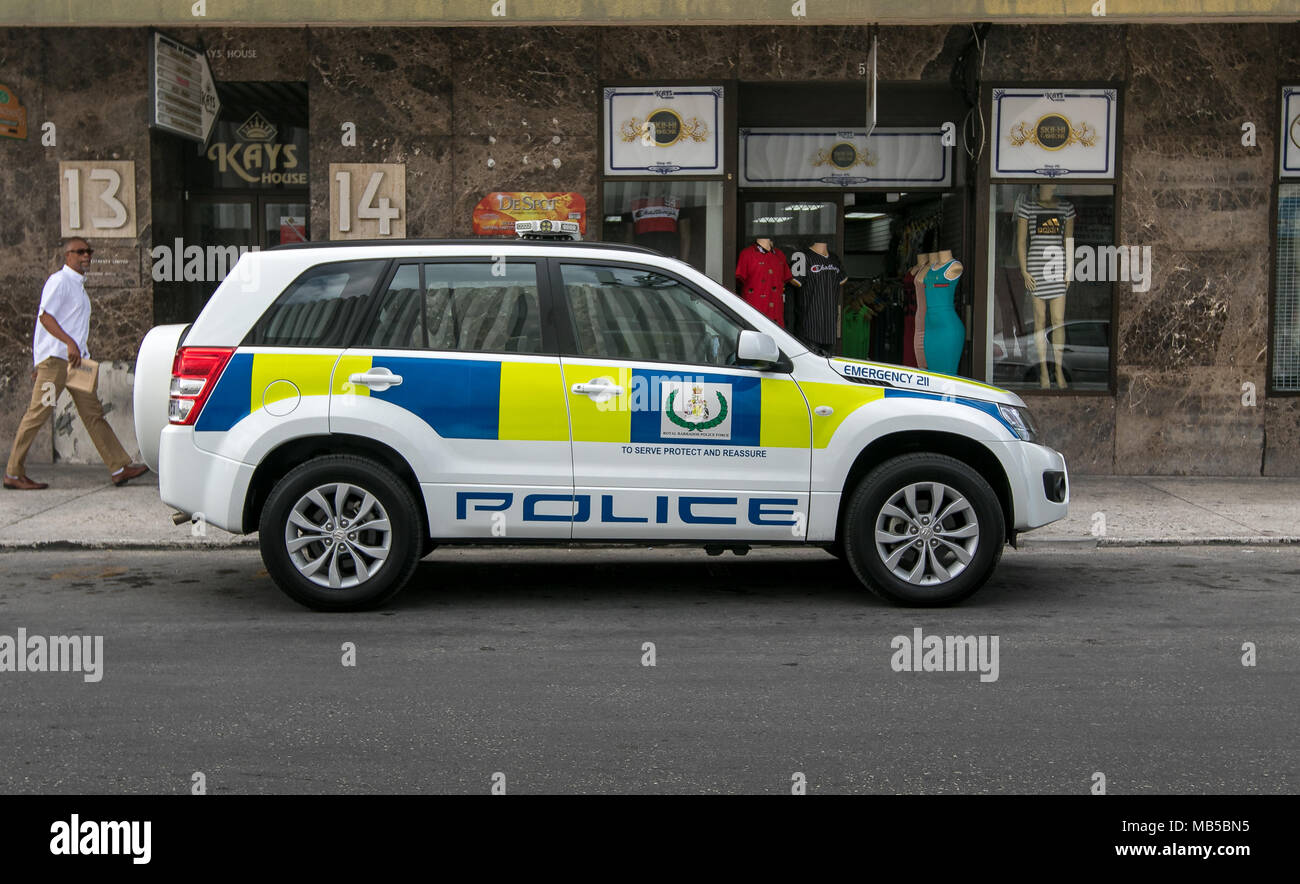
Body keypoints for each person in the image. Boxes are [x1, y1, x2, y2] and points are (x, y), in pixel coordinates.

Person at [4, 238, 149, 490]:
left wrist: (77, 349)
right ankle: (14, 473)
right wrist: (57, 352)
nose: (86, 256)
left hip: (77, 364)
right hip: (57, 363)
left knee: (93, 414)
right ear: (67, 255)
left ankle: (118, 467)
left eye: (89, 252)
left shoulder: (78, 287)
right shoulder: (59, 282)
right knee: (38, 413)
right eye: (80, 252)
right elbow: (45, 318)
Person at [789, 239, 848, 355]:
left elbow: (843, 279)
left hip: (830, 328)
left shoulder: (834, 259)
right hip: (809, 327)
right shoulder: (802, 257)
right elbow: (794, 281)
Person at [735, 237, 799, 327]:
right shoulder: (746, 254)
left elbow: (788, 278)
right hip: (754, 313)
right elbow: (739, 279)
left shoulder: (779, 255)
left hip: (776, 314)